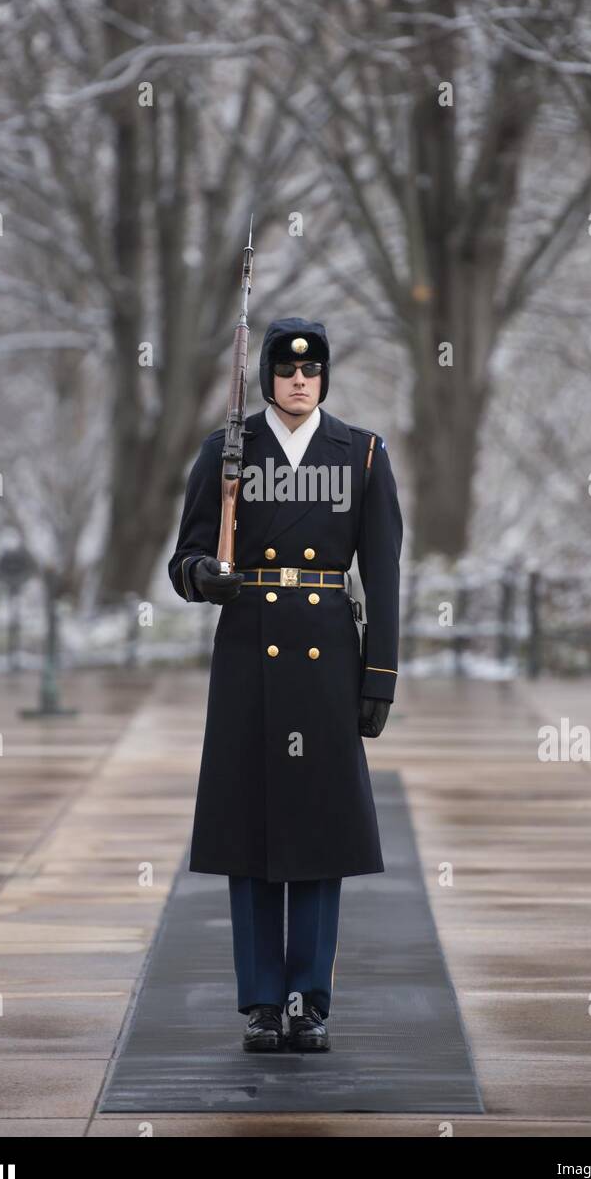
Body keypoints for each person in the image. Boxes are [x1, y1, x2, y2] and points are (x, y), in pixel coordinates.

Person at [167, 317, 402, 1052]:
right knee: (253, 832)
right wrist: (202, 576)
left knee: (321, 832)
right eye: (285, 368)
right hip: (248, 656)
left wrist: (381, 675)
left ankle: (309, 997)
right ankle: (263, 1001)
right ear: (265, 375)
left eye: (312, 368)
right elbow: (187, 557)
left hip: (328, 658)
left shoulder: (360, 453)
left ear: (325, 376)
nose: (299, 380)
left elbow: (385, 574)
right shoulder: (226, 452)